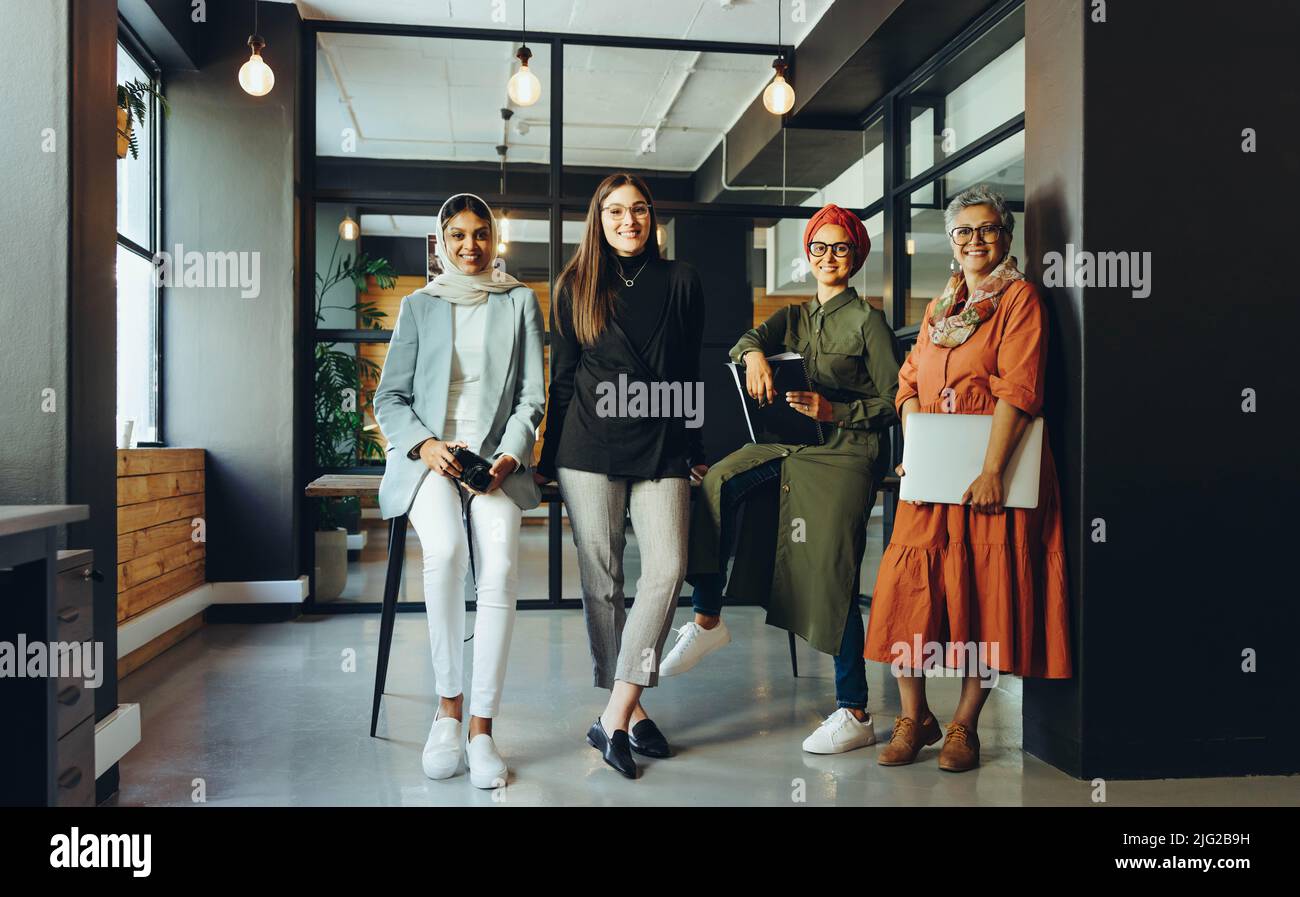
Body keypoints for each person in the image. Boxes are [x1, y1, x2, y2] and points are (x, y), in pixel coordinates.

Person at [664, 203, 901, 755]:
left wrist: (834, 412)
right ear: (808, 254)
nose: (828, 257)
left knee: (829, 564)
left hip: (844, 451)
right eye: (819, 247)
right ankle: (706, 619)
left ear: (856, 256)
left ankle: (855, 709)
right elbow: (746, 339)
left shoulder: (869, 323)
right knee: (717, 480)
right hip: (787, 443)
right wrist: (755, 359)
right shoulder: (792, 316)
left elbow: (894, 401)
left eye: (840, 248)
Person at [865, 184, 1072, 773]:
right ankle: (914, 717)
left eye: (988, 229)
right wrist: (918, 446)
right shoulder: (939, 309)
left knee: (983, 599)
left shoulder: (1020, 300)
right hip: (933, 477)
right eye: (964, 231)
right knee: (907, 598)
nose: (976, 240)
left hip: (988, 477)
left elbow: (1020, 388)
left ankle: (964, 725)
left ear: (1005, 237)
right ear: (952, 243)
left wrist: (990, 471)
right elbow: (907, 384)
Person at [534, 173, 707, 779]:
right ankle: (629, 714)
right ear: (598, 218)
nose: (627, 220)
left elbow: (690, 368)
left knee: (667, 568)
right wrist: (546, 458)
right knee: (602, 579)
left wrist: (694, 447)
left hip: (661, 445)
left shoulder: (682, 279)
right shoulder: (575, 285)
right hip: (588, 447)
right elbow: (564, 376)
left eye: (638, 210)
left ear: (652, 217)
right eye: (614, 211)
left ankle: (612, 712)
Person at [373, 193, 545, 788]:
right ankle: (445, 711)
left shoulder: (520, 301)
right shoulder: (418, 306)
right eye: (457, 236)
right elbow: (387, 399)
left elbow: (531, 397)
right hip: (429, 461)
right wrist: (424, 445)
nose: (470, 246)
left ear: (493, 240)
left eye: (480, 234)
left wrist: (509, 455)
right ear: (439, 244)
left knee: (498, 568)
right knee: (444, 552)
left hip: (494, 463)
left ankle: (481, 728)